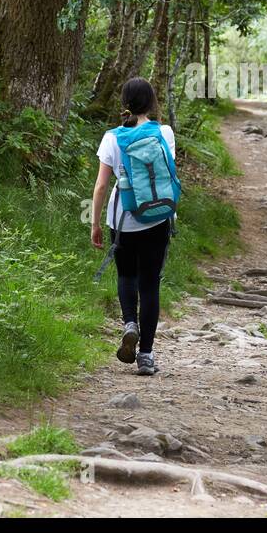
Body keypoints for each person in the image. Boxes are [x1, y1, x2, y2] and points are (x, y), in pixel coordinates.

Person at [90, 77, 176, 376]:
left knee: (126, 274)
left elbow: (102, 186)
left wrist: (95, 222)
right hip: (157, 217)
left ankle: (129, 323)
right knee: (150, 284)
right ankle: (147, 356)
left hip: (122, 218)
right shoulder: (164, 132)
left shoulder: (111, 137)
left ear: (124, 103)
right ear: (151, 102)